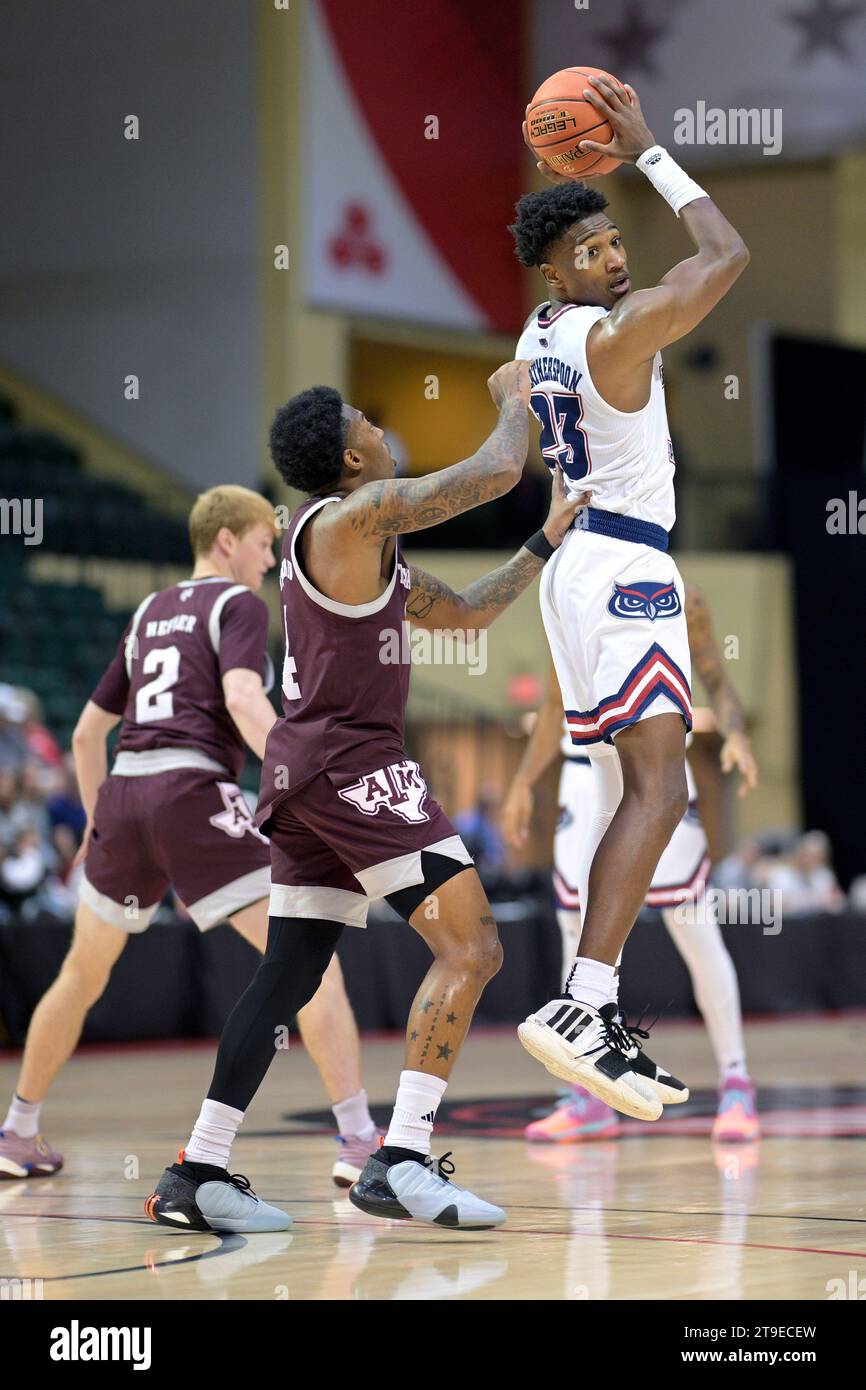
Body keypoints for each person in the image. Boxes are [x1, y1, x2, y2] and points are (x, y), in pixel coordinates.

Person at [147, 361, 587, 1234]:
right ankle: (401, 1156)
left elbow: (463, 614)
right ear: (351, 461)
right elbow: (494, 473)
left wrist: (542, 543)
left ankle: (196, 1170)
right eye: (368, 425)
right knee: (474, 948)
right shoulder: (352, 517)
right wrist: (513, 396)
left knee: (288, 973)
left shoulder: (368, 549)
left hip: (306, 774)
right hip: (349, 766)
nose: (384, 431)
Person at [0, 486, 380, 1189]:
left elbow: (87, 733)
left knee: (81, 974)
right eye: (265, 545)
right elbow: (241, 698)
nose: (270, 561)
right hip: (190, 789)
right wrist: (309, 783)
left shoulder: (148, 610)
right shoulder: (236, 605)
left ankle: (17, 1132)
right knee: (313, 963)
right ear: (227, 541)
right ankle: (358, 1141)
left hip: (126, 791)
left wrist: (95, 822)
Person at [508, 75, 750, 1116]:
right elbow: (726, 256)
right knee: (663, 789)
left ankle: (593, 1007)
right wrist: (647, 148)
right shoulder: (620, 332)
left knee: (624, 789)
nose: (619, 255)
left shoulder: (536, 338)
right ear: (563, 261)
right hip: (626, 565)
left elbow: (502, 404)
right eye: (600, 245)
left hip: (572, 569)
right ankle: (584, 1000)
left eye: (616, 241)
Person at [503, 584, 761, 1143]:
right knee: (576, 927)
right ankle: (589, 1093)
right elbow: (554, 702)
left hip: (654, 771)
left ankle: (736, 1081)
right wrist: (524, 781)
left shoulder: (677, 591)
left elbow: (713, 672)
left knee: (692, 924)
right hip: (583, 773)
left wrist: (736, 732)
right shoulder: (566, 587)